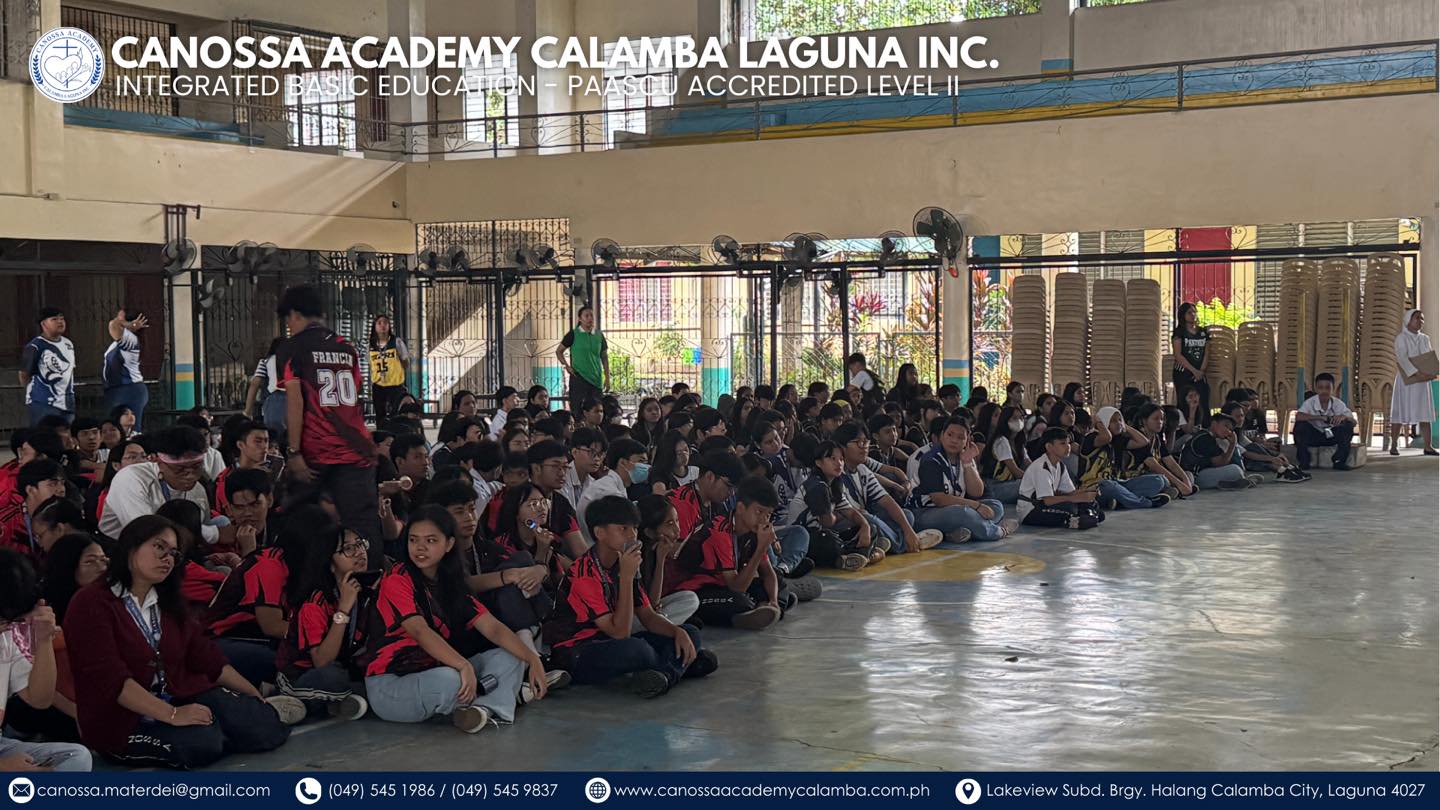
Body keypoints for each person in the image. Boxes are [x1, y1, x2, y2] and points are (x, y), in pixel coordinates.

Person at [64, 516, 300, 768]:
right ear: (131, 547)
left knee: (263, 726)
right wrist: (172, 715)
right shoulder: (90, 603)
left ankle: (230, 728)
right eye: (159, 547)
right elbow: (111, 680)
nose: (167, 558)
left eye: (174, 553)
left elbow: (207, 657)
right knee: (201, 744)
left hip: (179, 695)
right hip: (123, 717)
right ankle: (220, 734)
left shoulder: (167, 600)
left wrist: (252, 697)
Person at [363, 506, 547, 732]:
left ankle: (483, 710)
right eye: (413, 540)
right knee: (451, 680)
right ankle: (501, 693)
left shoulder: (450, 582)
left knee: (511, 656)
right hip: (390, 686)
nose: (420, 548)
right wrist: (463, 665)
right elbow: (420, 631)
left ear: (449, 544)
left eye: (431, 541)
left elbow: (493, 628)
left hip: (437, 671)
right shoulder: (397, 579)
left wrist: (533, 659)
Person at [544, 497, 715, 698]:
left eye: (634, 528)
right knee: (638, 650)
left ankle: (663, 676)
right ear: (600, 533)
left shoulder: (621, 562)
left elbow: (648, 616)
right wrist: (626, 578)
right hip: (578, 651)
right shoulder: (584, 573)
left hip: (610, 642)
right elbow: (620, 632)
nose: (632, 535)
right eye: (623, 529)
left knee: (690, 632)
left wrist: (676, 632)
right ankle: (674, 666)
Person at [275, 285, 382, 548]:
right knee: (364, 527)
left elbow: (295, 401)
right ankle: (372, 581)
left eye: (288, 319)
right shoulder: (347, 348)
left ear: (295, 314)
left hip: (316, 452)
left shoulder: (292, 348)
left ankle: (302, 580)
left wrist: (294, 452)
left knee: (298, 523)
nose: (289, 325)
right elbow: (354, 398)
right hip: (356, 450)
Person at [205, 506, 325, 688]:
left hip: (261, 640)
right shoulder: (269, 565)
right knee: (295, 662)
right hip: (224, 641)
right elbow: (272, 626)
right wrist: (324, 640)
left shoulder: (302, 568)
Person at [0, 549, 92, 771]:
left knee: (77, 757)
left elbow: (39, 699)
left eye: (8, 621)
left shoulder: (6, 637)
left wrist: (43, 640)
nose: (5, 627)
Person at [273, 523, 371, 721]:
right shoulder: (315, 602)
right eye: (348, 549)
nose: (359, 553)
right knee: (333, 677)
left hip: (343, 666)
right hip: (303, 674)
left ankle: (333, 704)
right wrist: (343, 609)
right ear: (330, 562)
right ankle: (283, 697)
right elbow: (321, 661)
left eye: (360, 545)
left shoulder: (368, 587)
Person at [666, 466, 784, 630]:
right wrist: (761, 548)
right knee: (737, 600)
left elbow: (767, 572)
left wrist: (773, 600)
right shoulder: (719, 531)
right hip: (692, 590)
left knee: (778, 581)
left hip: (723, 585)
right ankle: (745, 614)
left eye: (768, 514)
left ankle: (764, 608)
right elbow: (737, 587)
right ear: (741, 508)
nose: (764, 519)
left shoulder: (754, 529)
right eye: (759, 511)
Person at [100, 426, 241, 549]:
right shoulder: (131, 478)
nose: (190, 475)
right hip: (123, 548)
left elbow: (197, 534)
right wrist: (215, 534)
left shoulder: (198, 490)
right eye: (180, 469)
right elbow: (146, 531)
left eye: (196, 467)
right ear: (157, 461)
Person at [833, 422, 941, 554]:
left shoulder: (862, 470)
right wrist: (909, 535)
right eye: (858, 442)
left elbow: (887, 501)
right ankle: (902, 544)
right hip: (844, 525)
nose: (864, 447)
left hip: (863, 520)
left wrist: (908, 530)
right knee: (868, 517)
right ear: (842, 447)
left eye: (866, 442)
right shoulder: (835, 472)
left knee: (907, 516)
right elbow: (847, 513)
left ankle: (885, 543)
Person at [912, 416, 1016, 543]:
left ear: (967, 441)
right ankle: (999, 531)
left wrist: (967, 463)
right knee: (963, 514)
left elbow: (977, 492)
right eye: (950, 435)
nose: (954, 440)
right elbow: (939, 499)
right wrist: (976, 506)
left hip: (953, 508)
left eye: (960, 437)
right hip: (924, 512)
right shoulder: (931, 460)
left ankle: (954, 533)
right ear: (942, 436)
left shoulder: (964, 456)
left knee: (995, 506)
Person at [781, 439, 878, 570]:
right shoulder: (816, 486)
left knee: (871, 527)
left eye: (841, 459)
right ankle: (863, 554)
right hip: (804, 539)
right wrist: (839, 516)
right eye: (832, 458)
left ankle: (852, 557)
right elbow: (828, 521)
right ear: (819, 463)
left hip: (822, 533)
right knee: (829, 540)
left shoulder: (835, 484)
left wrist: (865, 526)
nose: (839, 463)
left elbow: (851, 512)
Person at [1076, 407, 1178, 508]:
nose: (1118, 423)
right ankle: (1146, 503)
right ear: (1104, 421)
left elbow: (1143, 441)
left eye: (1120, 420)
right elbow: (1107, 437)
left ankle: (1120, 502)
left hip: (1117, 482)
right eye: (1113, 421)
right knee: (1108, 485)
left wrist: (1125, 426)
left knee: (1159, 480)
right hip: (1094, 487)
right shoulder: (1091, 438)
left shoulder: (1118, 441)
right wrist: (1098, 423)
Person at [632, 495, 701, 626]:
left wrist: (661, 558)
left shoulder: (657, 550)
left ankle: (664, 625)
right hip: (635, 618)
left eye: (677, 521)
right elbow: (652, 604)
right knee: (691, 630)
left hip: (651, 613)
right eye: (669, 524)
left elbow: (656, 604)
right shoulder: (635, 555)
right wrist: (660, 560)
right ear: (650, 532)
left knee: (690, 599)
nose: (677, 530)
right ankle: (664, 626)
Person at [1017, 428, 1104, 530]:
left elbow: (1070, 492)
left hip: (1047, 505)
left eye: (1068, 443)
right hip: (1032, 510)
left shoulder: (1060, 466)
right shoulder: (1041, 467)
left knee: (1092, 506)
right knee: (1071, 507)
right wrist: (1076, 499)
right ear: (1049, 447)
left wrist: (1086, 492)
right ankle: (1074, 520)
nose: (1068, 447)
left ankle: (1082, 517)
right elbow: (1047, 500)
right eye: (1062, 443)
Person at [576, 438, 648, 543]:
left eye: (646, 462)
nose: (646, 467)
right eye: (641, 461)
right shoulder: (607, 491)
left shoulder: (618, 486)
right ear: (623, 462)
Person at [1219, 401, 1309, 482]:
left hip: (1243, 456)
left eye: (1242, 416)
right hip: (1231, 463)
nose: (1241, 419)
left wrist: (1275, 455)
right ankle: (1280, 469)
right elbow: (1246, 454)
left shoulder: (1237, 432)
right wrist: (1271, 458)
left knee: (1255, 447)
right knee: (1252, 459)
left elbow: (1251, 446)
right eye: (1237, 416)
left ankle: (1287, 467)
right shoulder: (1224, 433)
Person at [1389, 309, 1437, 455]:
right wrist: (1418, 373)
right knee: (1399, 412)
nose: (1420, 321)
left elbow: (1428, 357)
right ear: (1408, 320)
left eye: (1422, 319)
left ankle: (1428, 446)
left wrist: (1430, 372)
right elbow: (1402, 358)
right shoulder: (1401, 338)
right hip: (1406, 380)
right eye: (1417, 318)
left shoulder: (1425, 338)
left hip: (1422, 382)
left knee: (1424, 412)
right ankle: (1394, 445)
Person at [1123, 404, 1197, 496]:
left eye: (1162, 419)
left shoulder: (1157, 438)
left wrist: (1186, 481)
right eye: (1155, 419)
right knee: (1160, 480)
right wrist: (1179, 483)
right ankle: (1170, 490)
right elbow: (1154, 466)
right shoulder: (1138, 439)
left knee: (1188, 474)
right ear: (1144, 420)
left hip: (1154, 473)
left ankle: (1173, 490)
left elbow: (1170, 462)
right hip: (1139, 476)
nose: (1159, 422)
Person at [19, 307, 76, 426]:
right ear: (43, 324)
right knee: (45, 437)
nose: (60, 322)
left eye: (62, 318)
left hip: (67, 402)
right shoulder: (35, 346)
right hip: (43, 403)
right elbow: (24, 375)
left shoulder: (68, 343)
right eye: (54, 319)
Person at [0, 460, 68, 557]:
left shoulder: (69, 517)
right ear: (31, 490)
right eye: (53, 484)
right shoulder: (5, 523)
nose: (62, 489)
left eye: (63, 483)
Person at [1176, 412, 1258, 490]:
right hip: (1194, 477)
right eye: (1226, 426)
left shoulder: (1209, 437)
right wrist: (1232, 444)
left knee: (1235, 469)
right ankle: (1235, 480)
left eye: (1230, 430)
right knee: (1235, 470)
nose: (1228, 431)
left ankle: (1230, 483)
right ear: (1214, 423)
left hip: (1202, 473)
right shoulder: (1204, 438)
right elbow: (1221, 463)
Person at [1293, 373, 1358, 471]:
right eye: (1321, 388)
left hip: (1331, 435)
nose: (1324, 391)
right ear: (1316, 389)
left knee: (1347, 426)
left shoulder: (1338, 403)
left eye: (1327, 388)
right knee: (1300, 426)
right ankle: (1304, 461)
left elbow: (1354, 422)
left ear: (1333, 388)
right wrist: (1319, 417)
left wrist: (1343, 417)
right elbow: (1298, 416)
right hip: (1314, 436)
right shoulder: (1310, 402)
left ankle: (1339, 461)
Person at [102, 308, 150, 432]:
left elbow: (112, 325)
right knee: (116, 429)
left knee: (130, 429)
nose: (118, 321)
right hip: (118, 389)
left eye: (121, 319)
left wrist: (131, 326)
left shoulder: (131, 340)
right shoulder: (124, 340)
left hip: (128, 389)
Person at [557, 306, 610, 414]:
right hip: (579, 377)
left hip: (596, 379)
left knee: (596, 409)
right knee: (578, 409)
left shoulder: (599, 335)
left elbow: (604, 357)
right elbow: (559, 351)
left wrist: (607, 377)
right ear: (580, 319)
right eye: (586, 316)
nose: (590, 318)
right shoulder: (573, 334)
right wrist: (567, 366)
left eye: (591, 315)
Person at [978, 405, 1029, 503]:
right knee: (1025, 484)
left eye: (1021, 418)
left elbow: (1029, 464)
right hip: (994, 487)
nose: (1019, 421)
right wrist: (1037, 478)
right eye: (1014, 418)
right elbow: (1015, 472)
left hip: (1008, 484)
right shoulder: (1001, 441)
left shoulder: (1018, 443)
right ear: (1005, 420)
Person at [368, 315, 410, 425]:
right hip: (378, 385)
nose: (383, 325)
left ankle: (395, 435)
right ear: (375, 326)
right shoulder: (371, 345)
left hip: (395, 385)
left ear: (389, 326)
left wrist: (397, 371)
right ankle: (382, 436)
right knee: (380, 414)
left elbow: (405, 361)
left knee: (395, 413)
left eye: (385, 323)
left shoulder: (396, 342)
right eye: (379, 323)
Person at [1171, 302, 1211, 415]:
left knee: (1203, 399)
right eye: (1189, 312)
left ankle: (1205, 425)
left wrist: (1201, 371)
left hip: (1200, 372)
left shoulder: (1203, 332)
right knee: (1184, 400)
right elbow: (1178, 355)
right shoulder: (1179, 333)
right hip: (1183, 372)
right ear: (1183, 315)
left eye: (1194, 312)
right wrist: (1194, 371)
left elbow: (1207, 352)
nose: (1193, 315)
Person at [244, 338, 286, 437]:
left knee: (274, 437)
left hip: (275, 401)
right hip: (296, 399)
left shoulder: (265, 361)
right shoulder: (297, 360)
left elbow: (254, 385)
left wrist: (248, 411)